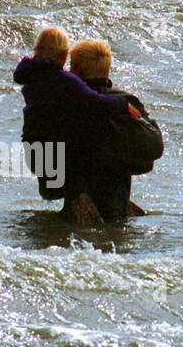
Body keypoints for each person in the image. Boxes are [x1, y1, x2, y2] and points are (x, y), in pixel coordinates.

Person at [12, 28, 138, 215]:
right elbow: (95, 101)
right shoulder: (64, 81)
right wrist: (123, 103)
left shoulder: (30, 77)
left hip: (33, 149)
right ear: (63, 56)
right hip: (55, 153)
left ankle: (80, 197)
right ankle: (83, 197)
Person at [61, 38, 161, 224]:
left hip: (81, 207)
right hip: (118, 202)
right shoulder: (127, 102)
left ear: (77, 71)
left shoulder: (72, 104)